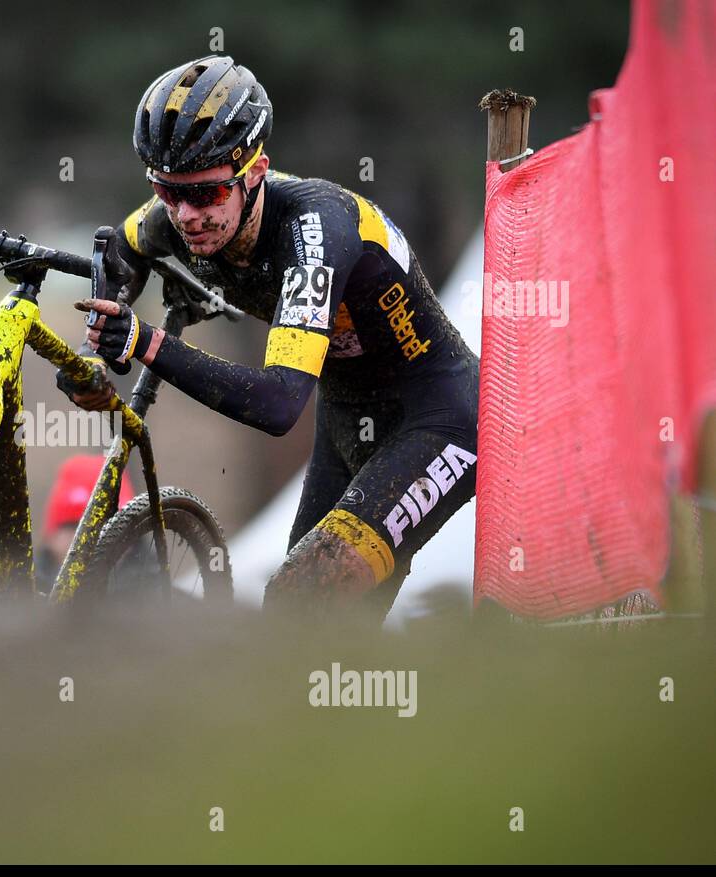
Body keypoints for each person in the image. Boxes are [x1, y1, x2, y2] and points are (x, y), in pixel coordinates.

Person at [57, 56, 479, 620]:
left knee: (301, 594)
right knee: (306, 628)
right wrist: (93, 353)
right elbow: (120, 251)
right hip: (346, 413)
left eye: (207, 195)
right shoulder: (181, 209)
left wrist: (143, 342)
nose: (186, 215)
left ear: (255, 172)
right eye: (166, 191)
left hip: (436, 421)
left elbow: (278, 403)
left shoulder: (315, 227)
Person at [35, 455, 135, 591]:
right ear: (51, 539)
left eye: (107, 528)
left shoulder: (159, 594)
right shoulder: (20, 592)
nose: (89, 542)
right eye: (75, 527)